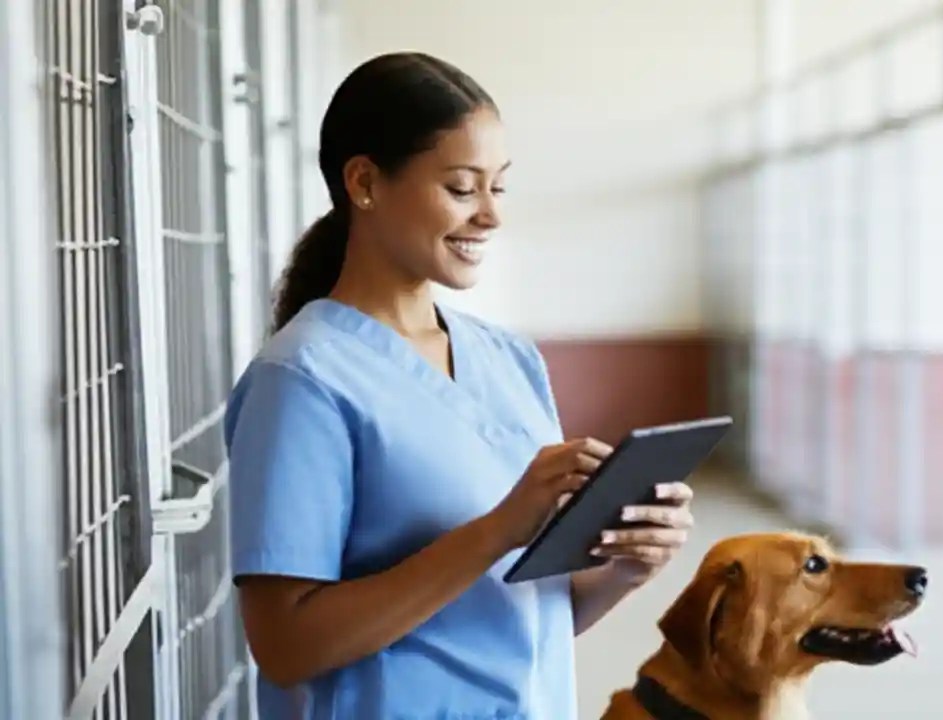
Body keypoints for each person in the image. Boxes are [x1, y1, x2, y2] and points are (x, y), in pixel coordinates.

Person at [223, 52, 695, 719]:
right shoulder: (302, 380)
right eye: (461, 187)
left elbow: (522, 623)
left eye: (498, 187)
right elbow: (286, 644)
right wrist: (499, 529)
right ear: (364, 182)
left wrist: (624, 569)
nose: (490, 215)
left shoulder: (510, 361)